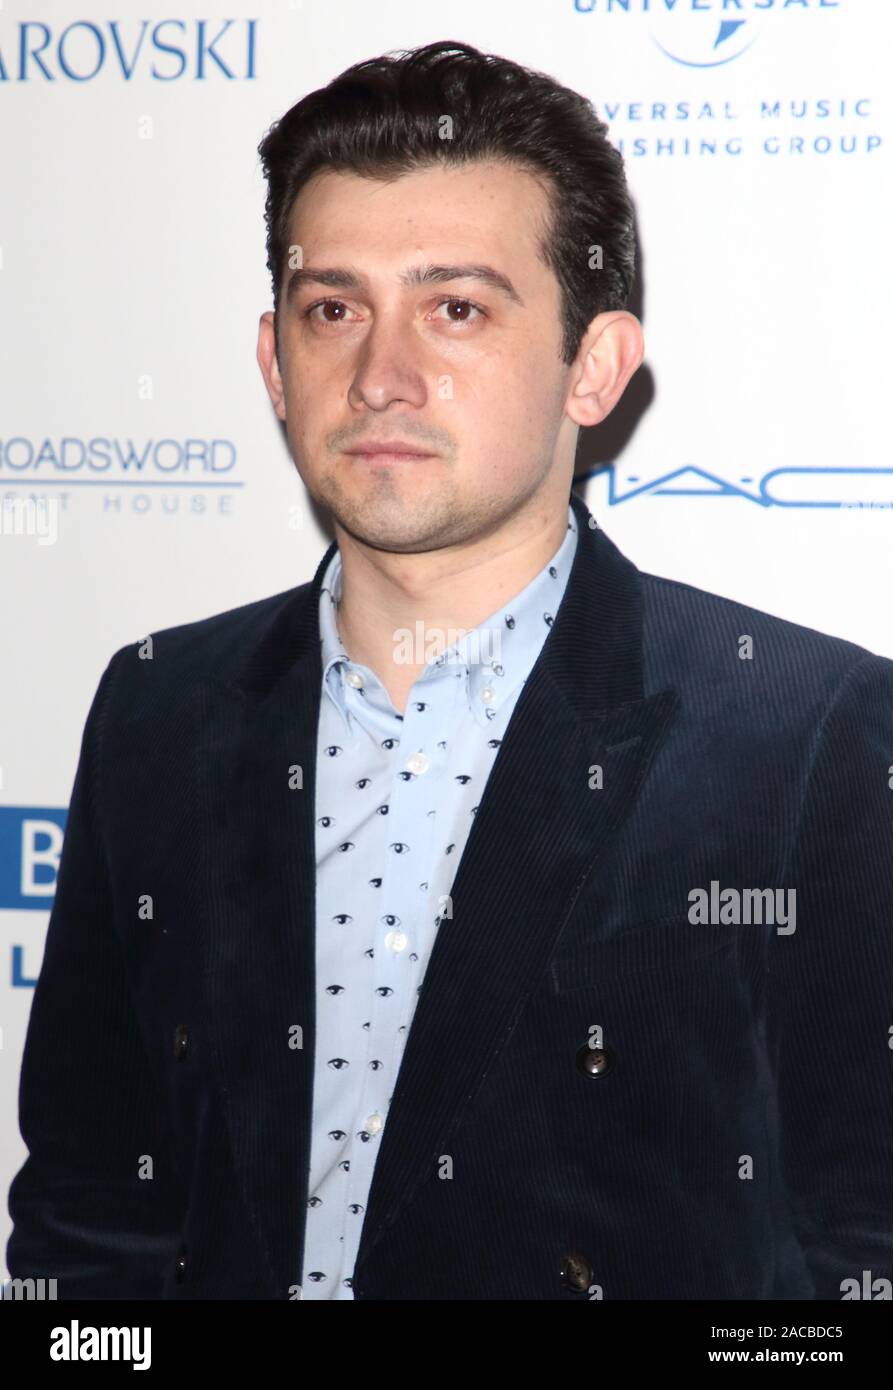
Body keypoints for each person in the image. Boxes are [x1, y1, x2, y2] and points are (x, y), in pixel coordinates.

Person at [7, 39, 893, 1301]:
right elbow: (90, 1215)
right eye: (333, 309)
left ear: (593, 366)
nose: (381, 374)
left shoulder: (802, 734)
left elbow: (864, 1245)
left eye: (456, 307)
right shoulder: (160, 708)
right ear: (273, 360)